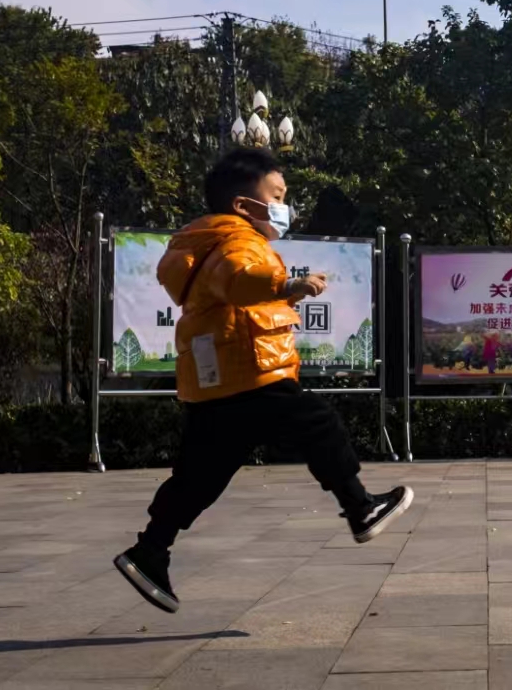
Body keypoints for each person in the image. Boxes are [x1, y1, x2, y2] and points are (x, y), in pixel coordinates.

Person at [114, 148, 412, 614]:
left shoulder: (204, 242)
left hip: (217, 380)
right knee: (318, 424)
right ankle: (359, 506)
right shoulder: (237, 240)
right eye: (276, 196)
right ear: (241, 204)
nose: (283, 207)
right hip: (252, 368)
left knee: (199, 476)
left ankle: (150, 551)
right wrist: (285, 286)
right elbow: (239, 279)